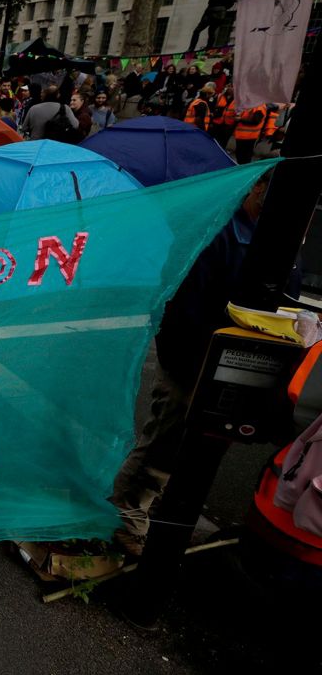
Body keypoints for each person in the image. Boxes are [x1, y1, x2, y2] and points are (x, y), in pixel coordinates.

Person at [110, 176, 276, 555]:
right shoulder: (218, 233)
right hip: (193, 363)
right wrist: (188, 365)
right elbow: (182, 307)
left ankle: (148, 514)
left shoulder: (275, 239)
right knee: (163, 443)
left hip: (235, 367)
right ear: (257, 187)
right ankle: (124, 518)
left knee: (189, 450)